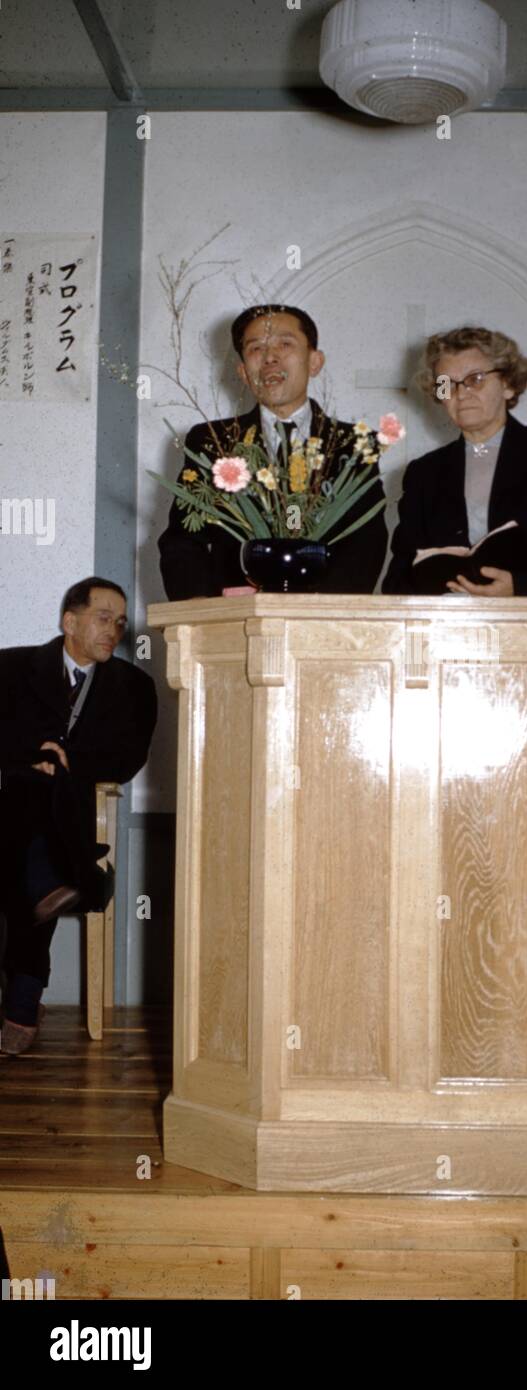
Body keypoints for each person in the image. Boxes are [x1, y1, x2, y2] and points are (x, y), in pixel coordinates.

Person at [0, 578, 157, 1055]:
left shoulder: (134, 686)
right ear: (70, 622)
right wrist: (32, 755)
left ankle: (21, 1005)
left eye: (121, 623)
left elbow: (128, 758)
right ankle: (21, 1002)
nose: (115, 630)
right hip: (18, 816)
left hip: (75, 817)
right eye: (103, 618)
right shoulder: (9, 667)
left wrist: (69, 766)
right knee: (28, 835)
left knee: (33, 826)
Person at [157, 304, 389, 599]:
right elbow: (183, 540)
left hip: (323, 620)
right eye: (256, 349)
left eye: (285, 344)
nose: (270, 358)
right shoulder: (212, 441)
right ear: (242, 371)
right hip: (235, 620)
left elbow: (366, 539)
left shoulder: (354, 443)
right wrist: (202, 608)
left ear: (315, 361)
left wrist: (324, 611)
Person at [382, 326, 527, 596]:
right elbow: (399, 573)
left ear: (508, 384)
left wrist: (521, 587)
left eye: (476, 379)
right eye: (446, 384)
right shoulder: (424, 474)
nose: (461, 393)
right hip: (443, 629)